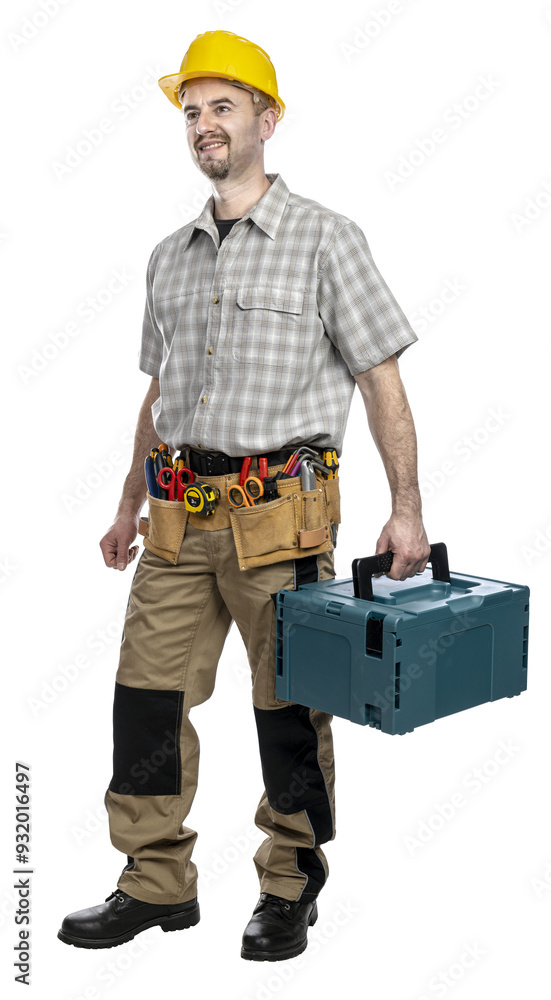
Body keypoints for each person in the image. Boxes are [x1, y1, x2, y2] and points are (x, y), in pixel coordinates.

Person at [58, 30, 430, 961]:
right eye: (191, 111)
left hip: (280, 521)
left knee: (288, 713)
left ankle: (288, 886)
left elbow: (381, 380)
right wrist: (125, 506)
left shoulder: (325, 239)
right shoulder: (169, 256)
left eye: (223, 106)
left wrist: (408, 509)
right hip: (178, 519)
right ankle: (153, 884)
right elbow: (160, 393)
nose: (203, 125)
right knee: (144, 701)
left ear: (268, 117)